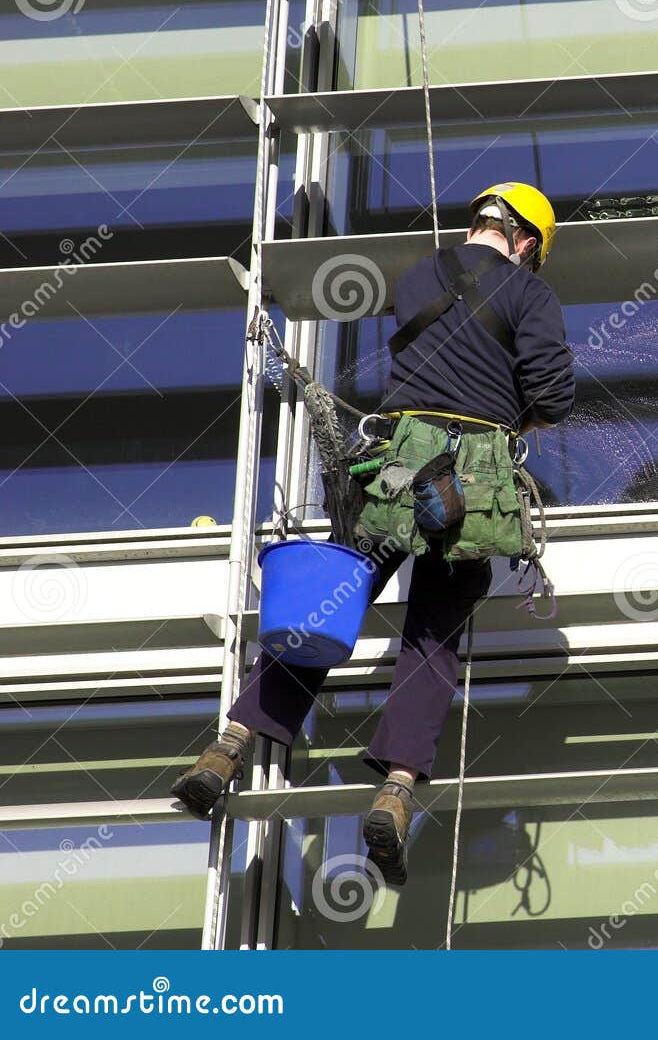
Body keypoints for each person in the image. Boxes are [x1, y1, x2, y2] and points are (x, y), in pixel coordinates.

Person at [171, 182, 576, 884]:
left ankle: (230, 744)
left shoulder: (419, 275)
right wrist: (513, 411)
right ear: (528, 242)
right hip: (465, 487)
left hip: (390, 471)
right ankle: (395, 787)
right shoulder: (531, 295)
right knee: (432, 634)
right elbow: (554, 398)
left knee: (327, 607)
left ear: (481, 222)